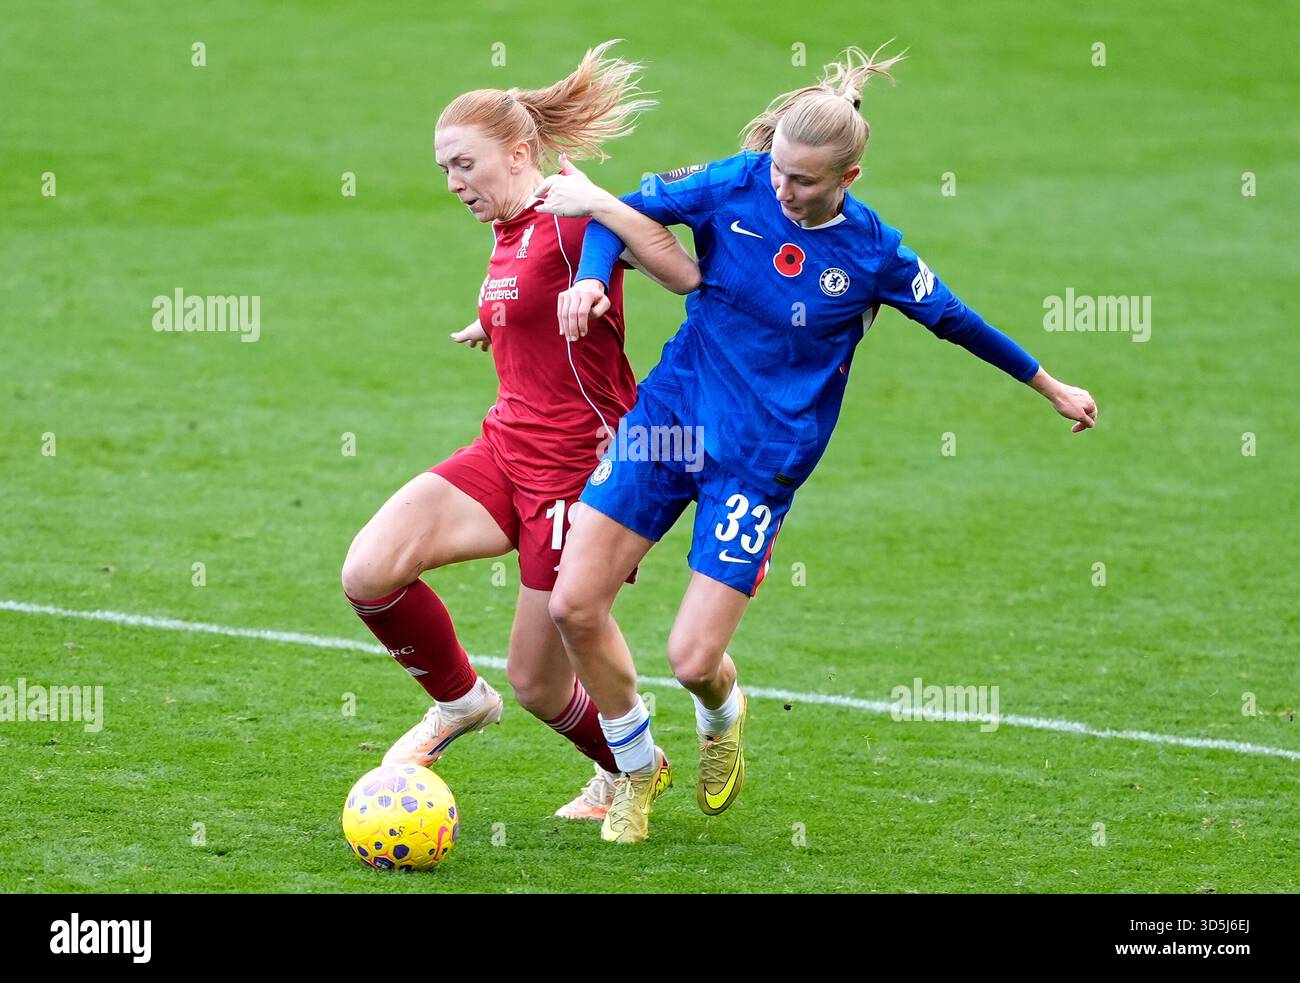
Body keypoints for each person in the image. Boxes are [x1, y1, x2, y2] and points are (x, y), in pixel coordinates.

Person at [536, 45, 1098, 843]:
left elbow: (960, 321)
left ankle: (722, 717)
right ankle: (632, 772)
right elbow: (614, 210)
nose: (781, 188)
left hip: (763, 461)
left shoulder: (874, 252)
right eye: (777, 171)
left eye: (802, 180)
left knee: (694, 659)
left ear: (848, 179)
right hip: (671, 419)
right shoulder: (737, 178)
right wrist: (592, 278)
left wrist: (1051, 385)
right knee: (573, 604)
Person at [341, 42, 698, 820]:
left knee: (540, 682)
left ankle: (633, 766)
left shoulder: (572, 215)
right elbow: (532, 294)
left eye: (463, 165)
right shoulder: (511, 225)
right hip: (506, 446)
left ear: (518, 152)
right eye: (443, 169)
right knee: (369, 571)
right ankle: (463, 701)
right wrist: (493, 320)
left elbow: (679, 271)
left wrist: (605, 212)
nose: (452, 183)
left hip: (576, 471)